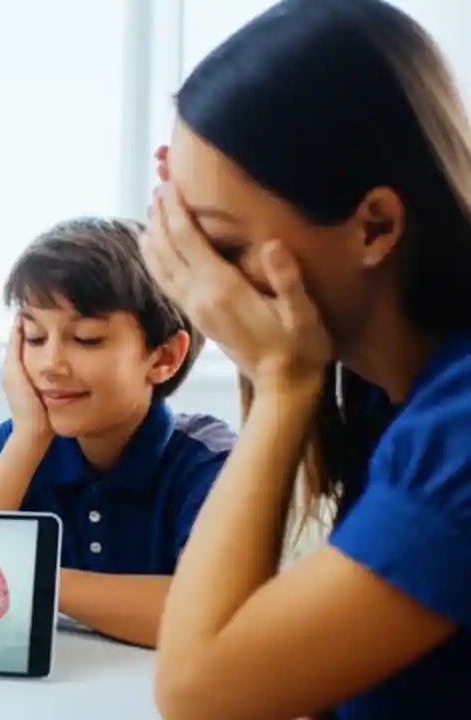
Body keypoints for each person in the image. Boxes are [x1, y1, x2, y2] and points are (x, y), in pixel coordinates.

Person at [140, 0, 471, 717]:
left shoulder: (460, 429)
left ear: (374, 226)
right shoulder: (390, 388)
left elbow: (201, 692)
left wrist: (282, 380)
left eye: (221, 248)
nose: (202, 285)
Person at [0, 217, 235, 648]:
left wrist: (32, 573)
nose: (50, 364)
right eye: (33, 336)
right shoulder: (23, 445)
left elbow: (203, 611)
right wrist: (29, 436)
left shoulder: (207, 461)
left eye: (86, 339)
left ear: (163, 357)